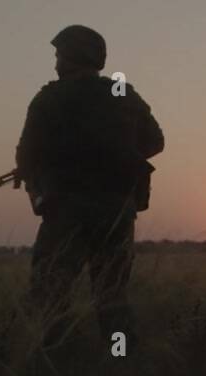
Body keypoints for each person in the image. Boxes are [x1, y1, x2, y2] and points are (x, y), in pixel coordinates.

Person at [15, 25, 164, 346]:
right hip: (116, 207)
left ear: (72, 56)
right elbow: (155, 141)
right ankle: (122, 363)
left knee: (50, 290)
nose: (56, 63)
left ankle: (60, 360)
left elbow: (26, 156)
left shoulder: (49, 98)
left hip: (66, 207)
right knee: (112, 294)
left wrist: (39, 176)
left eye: (59, 55)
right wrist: (117, 156)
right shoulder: (122, 92)